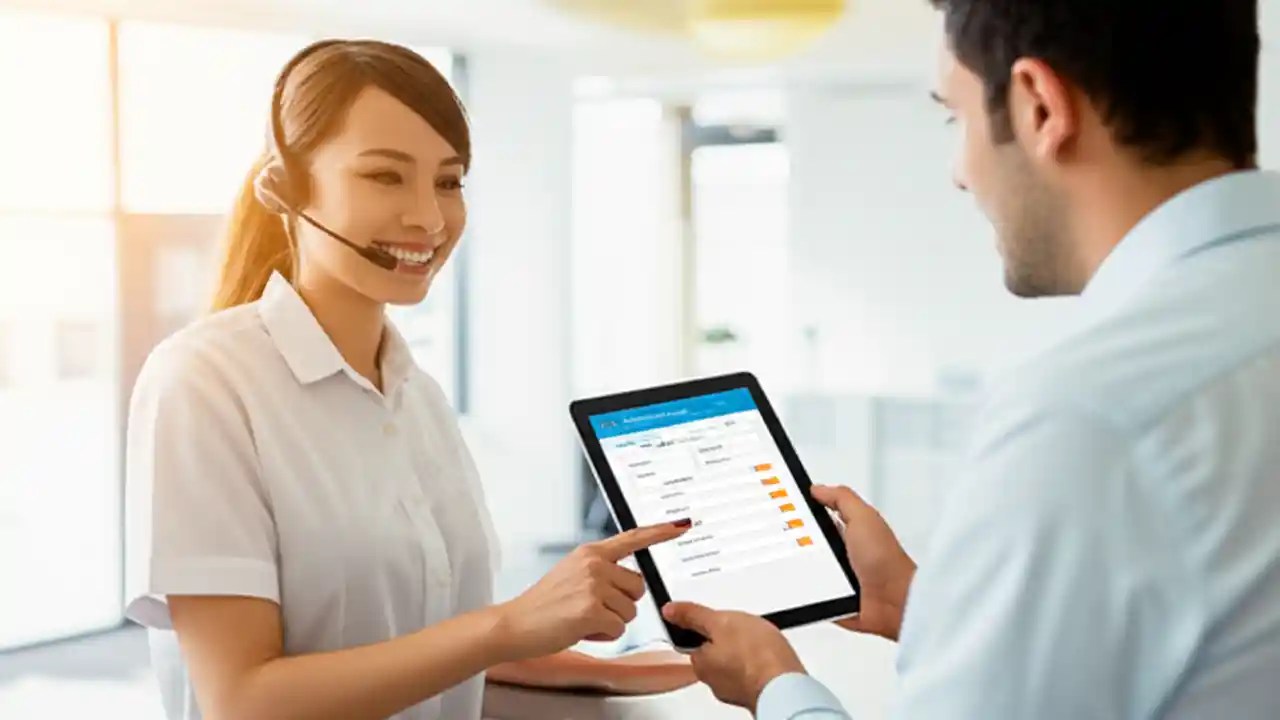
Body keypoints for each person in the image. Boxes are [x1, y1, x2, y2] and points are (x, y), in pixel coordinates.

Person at [664, 1, 1280, 718]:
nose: (959, 174)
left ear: (1039, 106)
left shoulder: (1087, 417)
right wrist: (926, 607)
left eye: (953, 119)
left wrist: (775, 684)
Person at [123, 39, 695, 720]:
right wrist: (509, 623)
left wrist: (603, 663)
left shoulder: (414, 393)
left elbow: (414, 635)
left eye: (449, 181)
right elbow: (243, 699)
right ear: (288, 187)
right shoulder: (203, 382)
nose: (429, 217)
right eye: (385, 177)